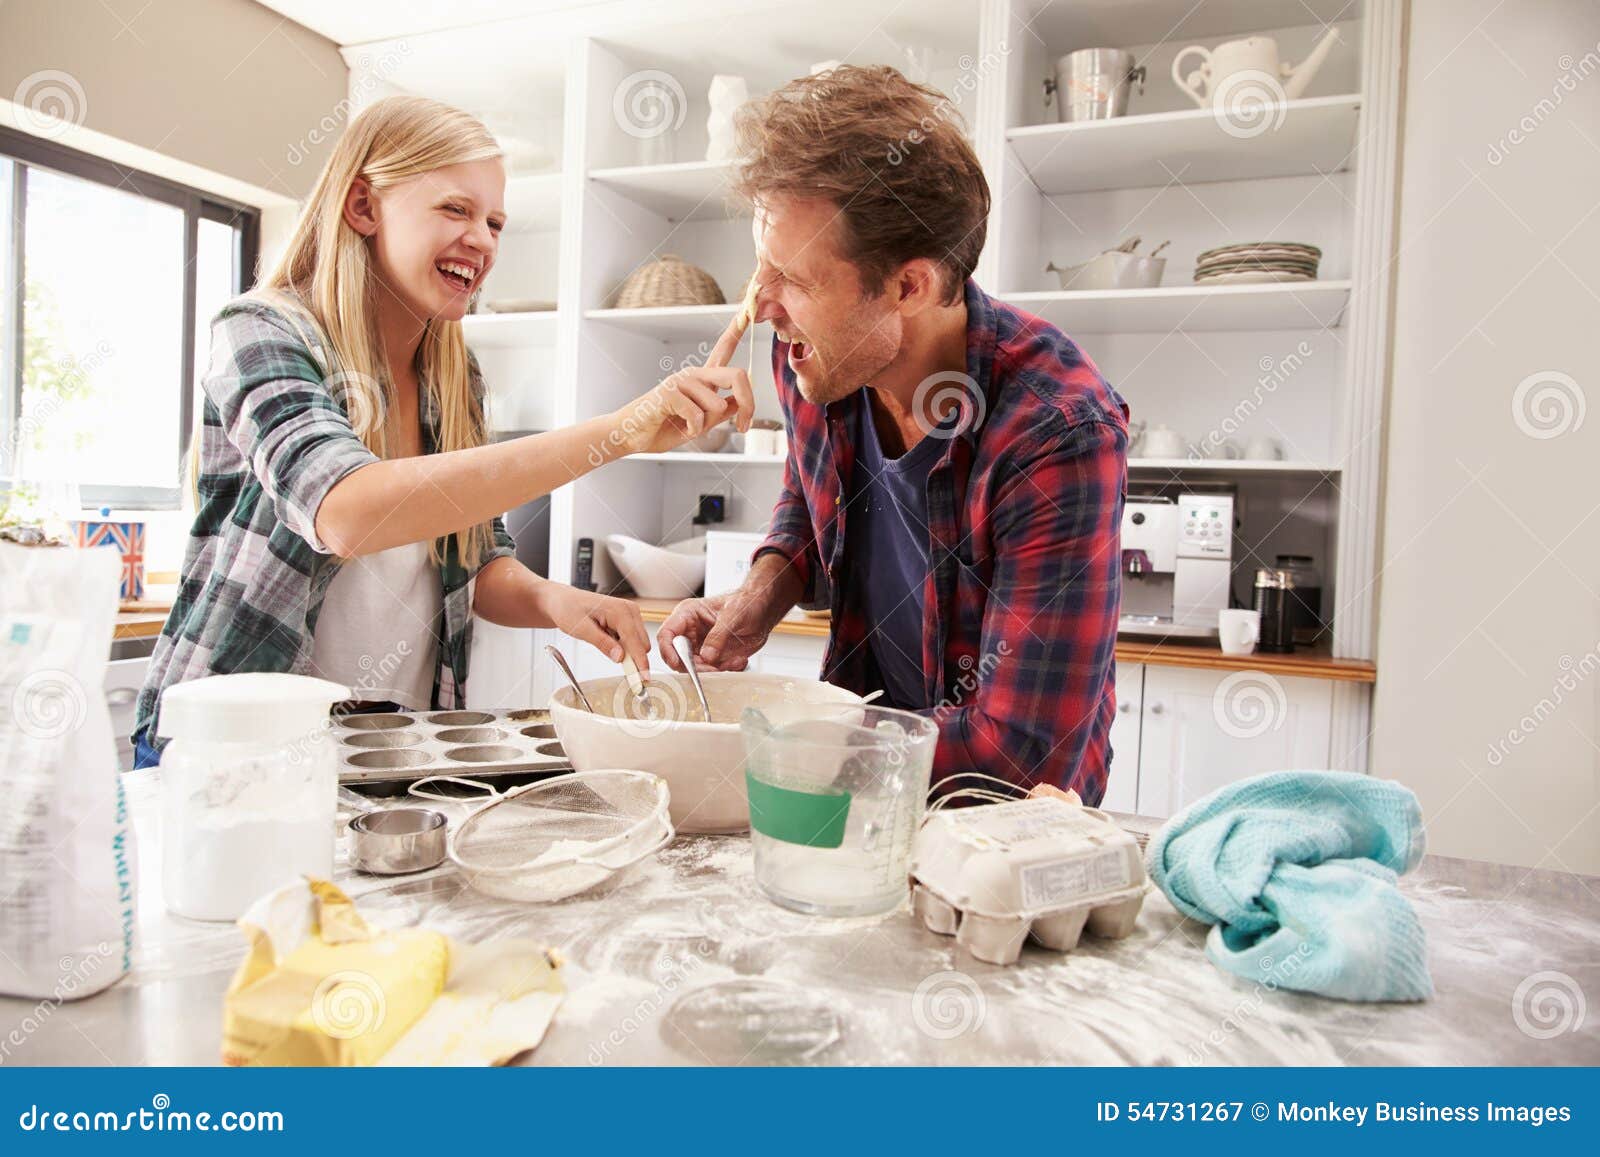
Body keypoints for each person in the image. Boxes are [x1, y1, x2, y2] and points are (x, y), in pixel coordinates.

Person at [132, 96, 752, 766]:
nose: (484, 240)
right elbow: (345, 511)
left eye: (495, 222)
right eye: (456, 210)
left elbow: (475, 560)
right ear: (363, 207)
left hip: (386, 754)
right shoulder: (261, 332)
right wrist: (615, 434)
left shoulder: (454, 378)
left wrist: (553, 598)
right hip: (231, 758)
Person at [656, 67, 1128, 803]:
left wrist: (787, 751)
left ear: (909, 286)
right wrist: (762, 590)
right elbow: (808, 499)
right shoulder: (817, 359)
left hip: (993, 832)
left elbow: (1020, 754)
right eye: (760, 268)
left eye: (792, 278)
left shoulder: (1057, 430)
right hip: (855, 778)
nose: (761, 307)